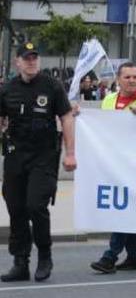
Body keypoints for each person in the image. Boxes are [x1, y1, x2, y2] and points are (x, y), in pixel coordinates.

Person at [0, 42, 76, 282]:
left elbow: (66, 117)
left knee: (35, 206)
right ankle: (20, 262)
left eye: (35, 57)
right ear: (17, 62)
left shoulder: (52, 86)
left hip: (43, 155)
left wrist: (70, 153)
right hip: (15, 155)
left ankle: (45, 255)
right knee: (16, 208)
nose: (32, 61)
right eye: (27, 58)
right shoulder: (7, 89)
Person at [90, 62, 136, 274]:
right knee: (125, 209)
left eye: (135, 77)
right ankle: (134, 256)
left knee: (124, 208)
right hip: (114, 162)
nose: (132, 81)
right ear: (119, 80)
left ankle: (110, 257)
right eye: (128, 77)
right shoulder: (109, 99)